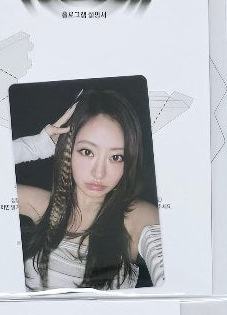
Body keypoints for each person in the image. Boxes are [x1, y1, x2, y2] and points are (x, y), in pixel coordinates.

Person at [13, 89, 164, 291]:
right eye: (87, 152)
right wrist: (35, 147)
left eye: (116, 157)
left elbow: (181, 279)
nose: (99, 173)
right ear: (69, 150)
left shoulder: (138, 217)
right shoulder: (40, 205)